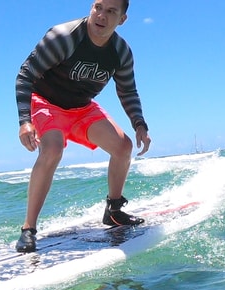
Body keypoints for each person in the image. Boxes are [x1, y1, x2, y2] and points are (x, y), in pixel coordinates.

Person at [13, 0, 152, 253]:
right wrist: (25, 121)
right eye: (98, 7)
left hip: (81, 107)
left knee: (123, 147)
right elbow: (25, 75)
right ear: (91, 7)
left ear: (122, 20)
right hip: (45, 102)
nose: (102, 15)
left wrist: (139, 123)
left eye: (111, 11)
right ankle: (28, 229)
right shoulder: (63, 37)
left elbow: (127, 90)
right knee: (53, 149)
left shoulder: (120, 52)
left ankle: (114, 210)